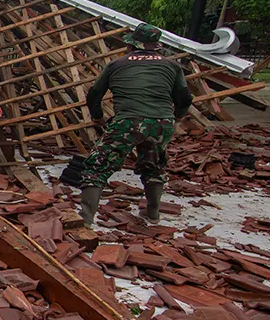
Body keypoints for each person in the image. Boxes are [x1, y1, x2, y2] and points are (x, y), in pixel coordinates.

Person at [79, 23, 192, 228]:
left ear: (132, 45)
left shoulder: (117, 64)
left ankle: (86, 219)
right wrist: (173, 119)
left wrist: (97, 117)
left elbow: (94, 94)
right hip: (161, 123)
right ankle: (153, 213)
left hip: (128, 122)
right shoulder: (172, 66)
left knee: (98, 167)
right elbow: (184, 99)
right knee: (154, 166)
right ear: (156, 46)